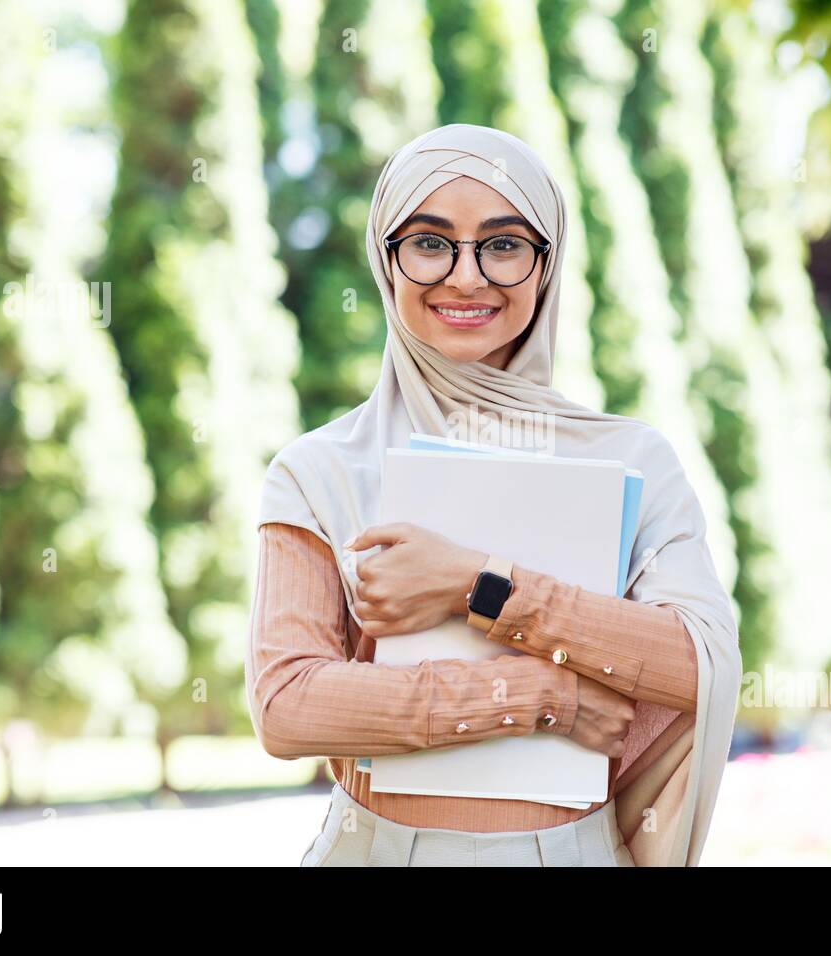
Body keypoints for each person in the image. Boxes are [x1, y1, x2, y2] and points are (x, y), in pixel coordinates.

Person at [246, 123, 742, 867]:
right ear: (386, 261)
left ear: (547, 265)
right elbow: (287, 707)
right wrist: (541, 696)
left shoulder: (632, 460)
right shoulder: (320, 470)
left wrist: (476, 586)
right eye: (430, 242)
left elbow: (697, 665)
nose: (467, 278)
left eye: (504, 245)